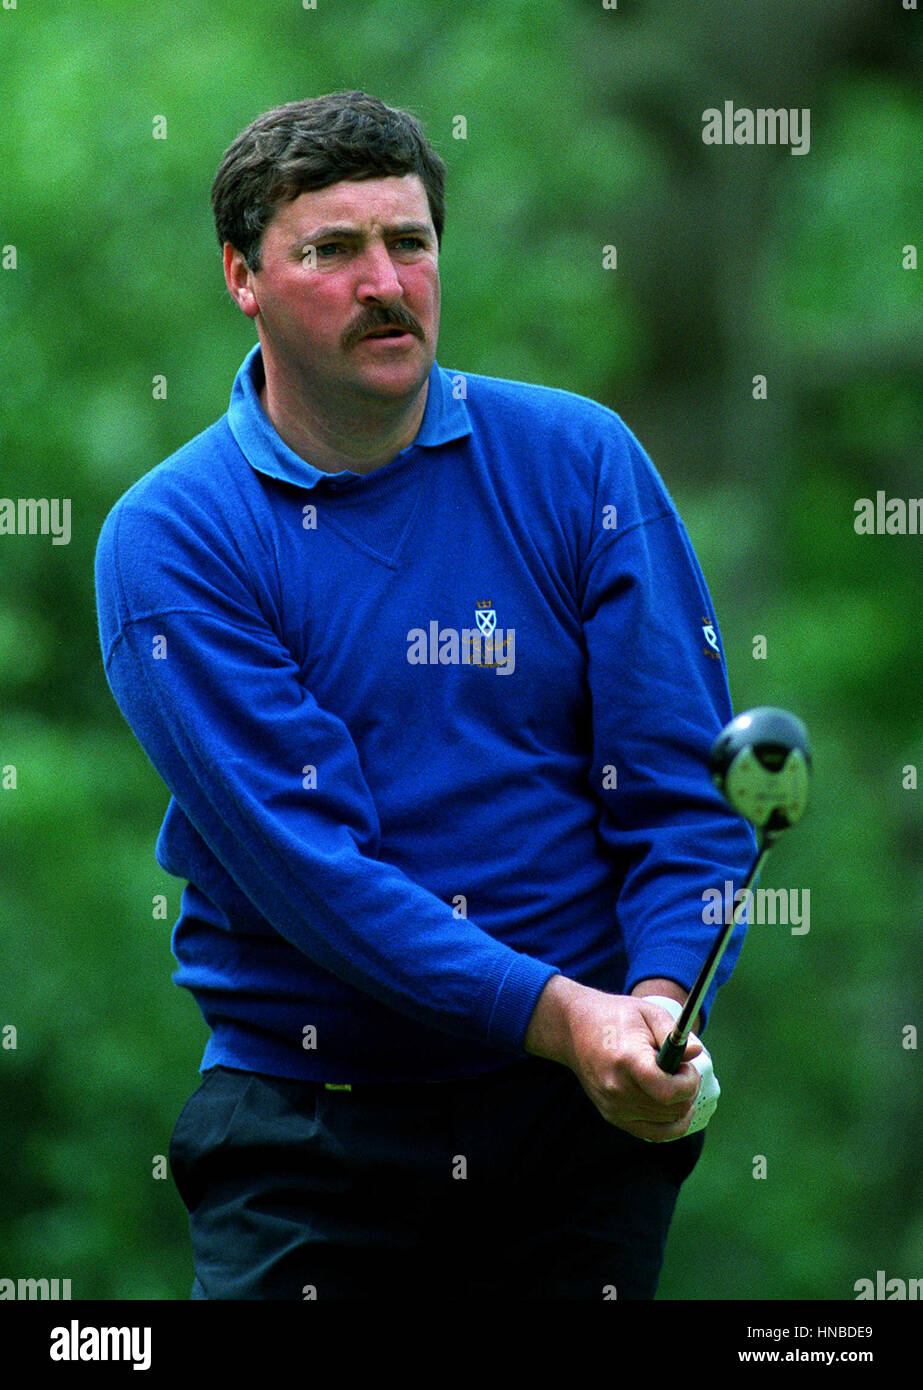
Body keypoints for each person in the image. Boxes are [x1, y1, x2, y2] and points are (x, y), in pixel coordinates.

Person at [94, 91, 756, 1301]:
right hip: (310, 1137)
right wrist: (568, 1016)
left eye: (408, 241)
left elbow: (684, 796)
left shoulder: (580, 461)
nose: (384, 281)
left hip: (575, 1133)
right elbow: (318, 874)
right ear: (243, 277)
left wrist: (657, 1009)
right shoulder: (175, 539)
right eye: (330, 249)